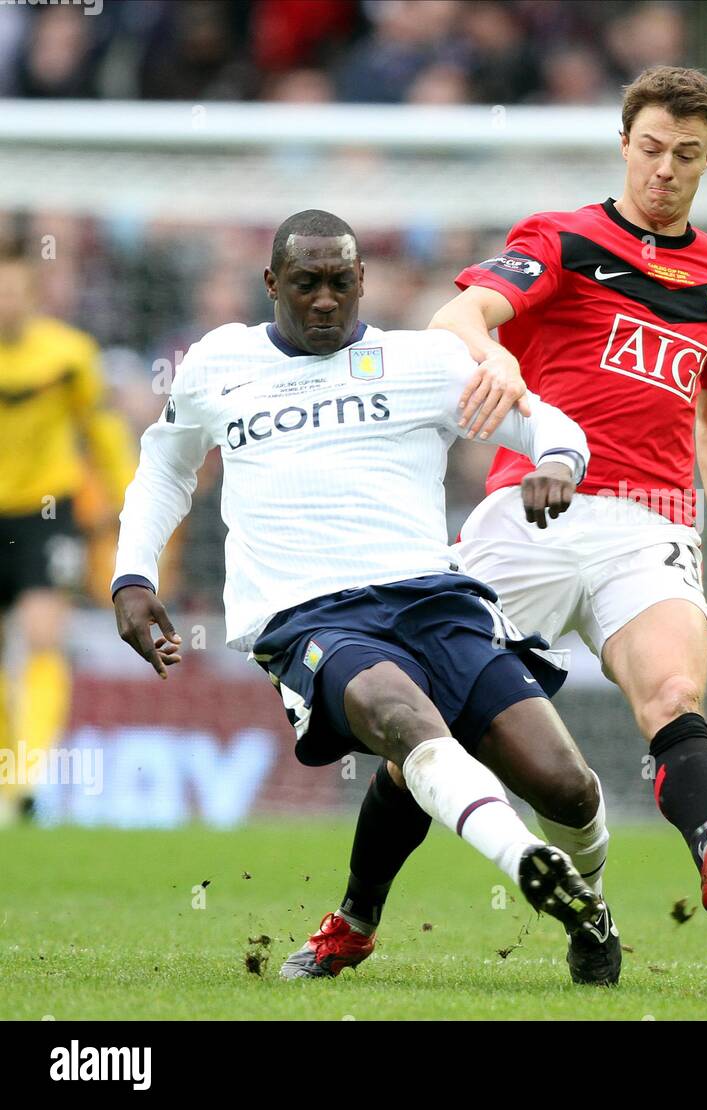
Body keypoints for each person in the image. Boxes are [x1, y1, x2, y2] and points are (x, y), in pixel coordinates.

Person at [111, 210, 618, 984]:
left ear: (361, 283)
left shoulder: (427, 362)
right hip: (310, 614)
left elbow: (552, 428)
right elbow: (166, 469)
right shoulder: (220, 363)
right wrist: (133, 575)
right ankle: (529, 865)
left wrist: (554, 461)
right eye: (305, 284)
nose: (323, 301)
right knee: (402, 717)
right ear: (272, 283)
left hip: (436, 600)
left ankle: (586, 907)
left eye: (339, 284)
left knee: (568, 787)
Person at [431, 65, 707, 922]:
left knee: (673, 697)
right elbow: (460, 319)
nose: (666, 169)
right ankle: (358, 916)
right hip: (538, 504)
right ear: (624, 145)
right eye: (652, 149)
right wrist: (499, 356)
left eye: (688, 156)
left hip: (656, 521)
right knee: (435, 719)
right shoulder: (560, 238)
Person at [0, 246, 135, 826]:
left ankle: (27, 778)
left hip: (44, 515)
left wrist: (131, 499)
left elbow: (100, 427)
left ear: (33, 295)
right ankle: (9, 775)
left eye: (14, 291)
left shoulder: (69, 355)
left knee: (41, 635)